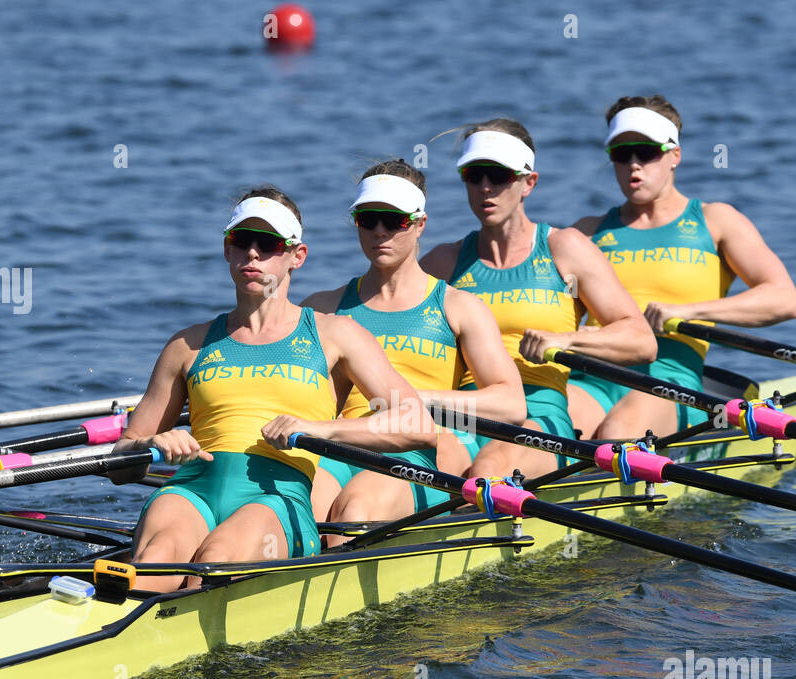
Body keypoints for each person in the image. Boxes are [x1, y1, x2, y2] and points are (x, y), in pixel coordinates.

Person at [113, 188, 434, 591]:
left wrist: (321, 430)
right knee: (155, 563)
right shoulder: (187, 345)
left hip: (277, 497)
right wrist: (152, 445)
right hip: (191, 488)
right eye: (241, 242)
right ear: (226, 250)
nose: (252, 254)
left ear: (296, 256)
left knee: (216, 562)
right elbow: (121, 466)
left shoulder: (335, 335)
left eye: (268, 244)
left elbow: (418, 425)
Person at [420, 118, 655, 481]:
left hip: (540, 413)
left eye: (498, 176)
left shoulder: (565, 249)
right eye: (473, 175)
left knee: (486, 471)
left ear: (528, 183)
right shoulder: (444, 262)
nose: (485, 187)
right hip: (462, 414)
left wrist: (566, 341)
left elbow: (641, 341)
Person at [302, 160, 524, 531]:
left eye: (394, 221)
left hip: (419, 444)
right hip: (343, 440)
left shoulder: (458, 307)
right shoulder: (323, 308)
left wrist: (412, 400)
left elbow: (512, 404)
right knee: (299, 512)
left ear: (420, 224)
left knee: (353, 511)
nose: (380, 232)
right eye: (368, 219)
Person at [569, 95, 796, 441]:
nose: (634, 165)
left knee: (616, 435)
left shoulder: (715, 221)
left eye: (646, 153)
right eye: (621, 154)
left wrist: (688, 311)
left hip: (670, 380)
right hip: (593, 375)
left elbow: (784, 299)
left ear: (674, 155)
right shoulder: (587, 233)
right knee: (534, 433)